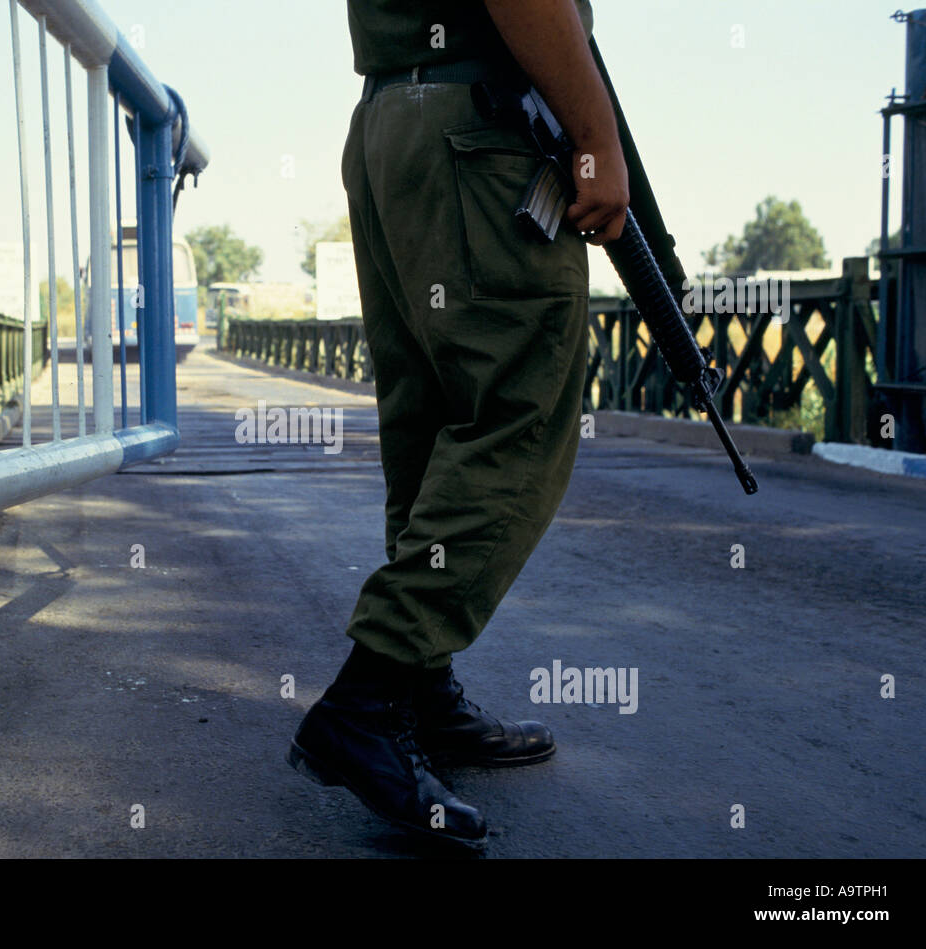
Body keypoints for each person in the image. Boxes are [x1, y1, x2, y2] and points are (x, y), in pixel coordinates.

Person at [287, 0, 630, 845]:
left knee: (430, 424)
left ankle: (419, 693)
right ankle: (370, 695)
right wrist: (596, 135)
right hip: (476, 128)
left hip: (392, 122)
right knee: (519, 413)